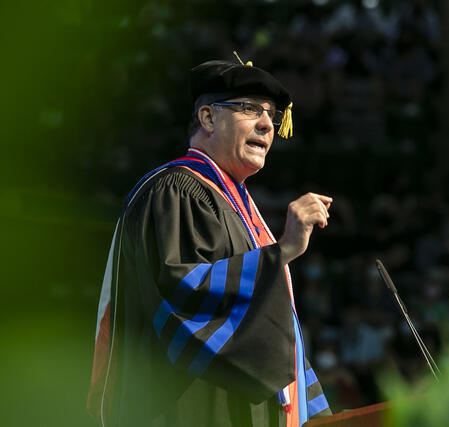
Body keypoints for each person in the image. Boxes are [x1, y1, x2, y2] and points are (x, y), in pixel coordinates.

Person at [87, 58, 333, 426]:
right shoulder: (176, 189)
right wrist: (282, 251)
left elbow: (282, 335)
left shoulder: (239, 207)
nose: (267, 123)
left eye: (271, 113)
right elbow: (185, 291)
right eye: (250, 109)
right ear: (207, 118)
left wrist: (317, 414)